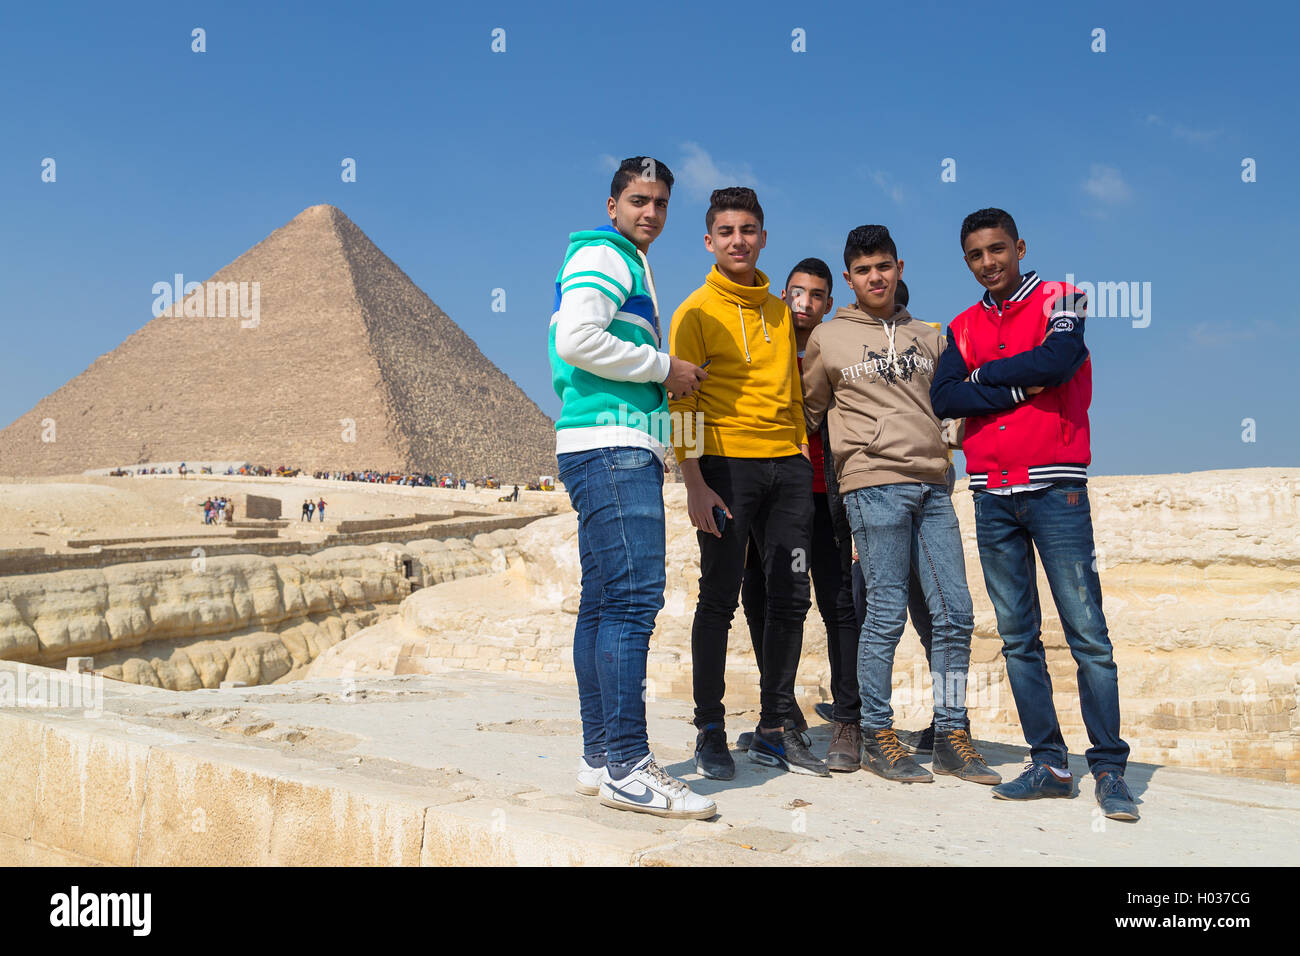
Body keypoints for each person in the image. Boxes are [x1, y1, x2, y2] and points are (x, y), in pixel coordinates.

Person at [931, 207, 1138, 820]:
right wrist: (1019, 388)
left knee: (1088, 636)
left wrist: (988, 378)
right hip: (991, 494)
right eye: (975, 255)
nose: (988, 263)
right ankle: (1048, 763)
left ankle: (1109, 769)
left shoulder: (1061, 299)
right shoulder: (960, 326)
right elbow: (944, 396)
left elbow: (1059, 361)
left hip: (1057, 492)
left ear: (1019, 246)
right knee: (1019, 639)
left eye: (998, 249)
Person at [802, 224, 998, 785]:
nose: (875, 277)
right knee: (885, 613)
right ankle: (877, 735)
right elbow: (809, 413)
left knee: (956, 613)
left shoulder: (928, 336)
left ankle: (952, 735)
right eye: (863, 270)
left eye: (883, 266)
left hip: (933, 484)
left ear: (900, 267)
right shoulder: (829, 338)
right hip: (872, 484)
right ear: (849, 278)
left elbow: (950, 407)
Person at [550, 156, 714, 819]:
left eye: (661, 203)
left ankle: (599, 758)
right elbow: (576, 337)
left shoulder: (626, 260)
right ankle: (628, 763)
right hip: (612, 443)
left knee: (602, 604)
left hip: (604, 442)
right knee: (632, 602)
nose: (650, 213)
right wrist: (663, 367)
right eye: (639, 200)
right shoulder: (606, 254)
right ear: (613, 203)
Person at [669, 187, 826, 779]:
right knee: (718, 598)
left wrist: (797, 463)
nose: (739, 241)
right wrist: (692, 483)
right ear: (710, 241)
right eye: (727, 232)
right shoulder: (693, 312)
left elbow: (791, 395)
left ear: (763, 238)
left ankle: (772, 727)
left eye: (750, 230)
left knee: (790, 597)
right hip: (724, 467)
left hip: (785, 467)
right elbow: (679, 402)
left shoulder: (783, 312)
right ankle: (710, 727)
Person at [735, 257, 862, 772]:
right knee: (761, 598)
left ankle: (849, 717)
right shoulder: (762, 341)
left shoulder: (838, 347)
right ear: (785, 294)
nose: (804, 303)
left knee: (838, 604)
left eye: (815, 295)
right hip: (767, 492)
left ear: (829, 303)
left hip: (824, 493)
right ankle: (781, 714)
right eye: (796, 292)